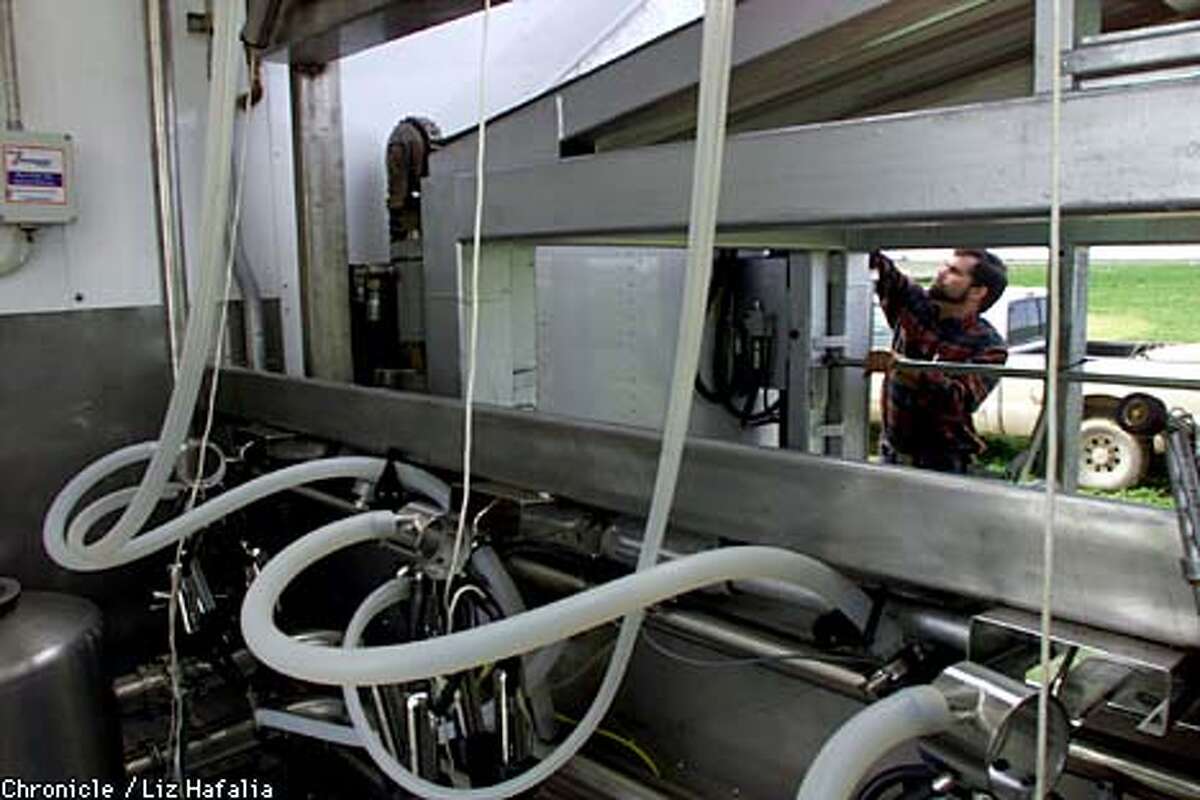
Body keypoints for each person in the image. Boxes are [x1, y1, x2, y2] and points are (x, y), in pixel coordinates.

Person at [866, 249, 1009, 474]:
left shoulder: (989, 345)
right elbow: (884, 270)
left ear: (978, 291)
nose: (940, 273)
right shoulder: (916, 307)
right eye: (944, 265)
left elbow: (959, 400)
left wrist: (904, 368)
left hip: (943, 462)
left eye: (953, 271)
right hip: (892, 454)